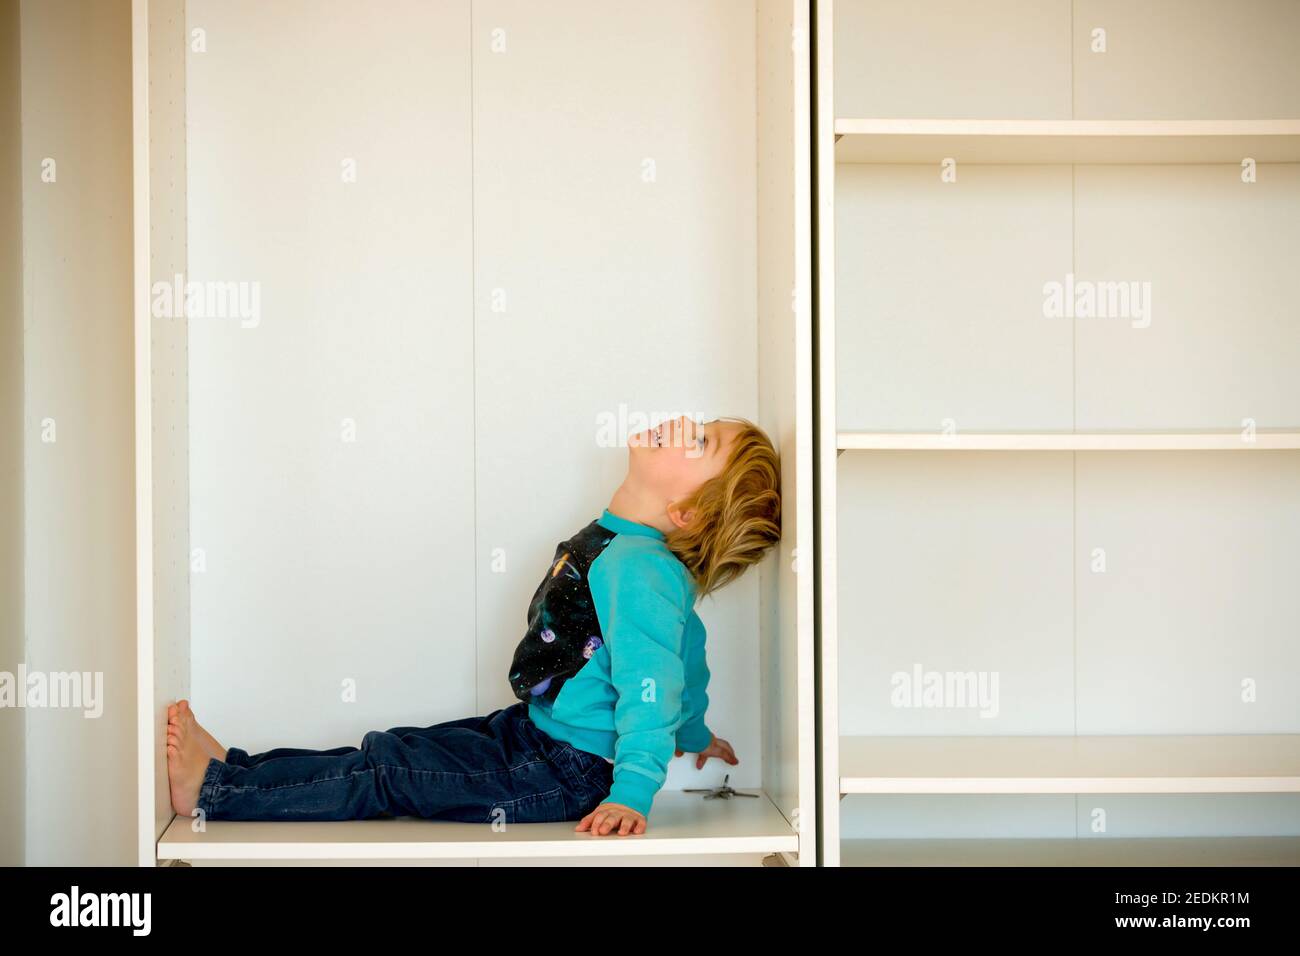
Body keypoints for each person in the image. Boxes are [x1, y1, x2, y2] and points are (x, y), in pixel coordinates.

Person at [166, 414, 781, 837]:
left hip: (568, 768)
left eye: (699, 441)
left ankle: (216, 793)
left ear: (685, 513)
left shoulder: (641, 570)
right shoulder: (634, 552)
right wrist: (697, 734)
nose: (681, 426)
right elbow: (687, 662)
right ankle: (240, 769)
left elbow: (655, 686)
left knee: (391, 774)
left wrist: (632, 793)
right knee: (393, 751)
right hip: (539, 735)